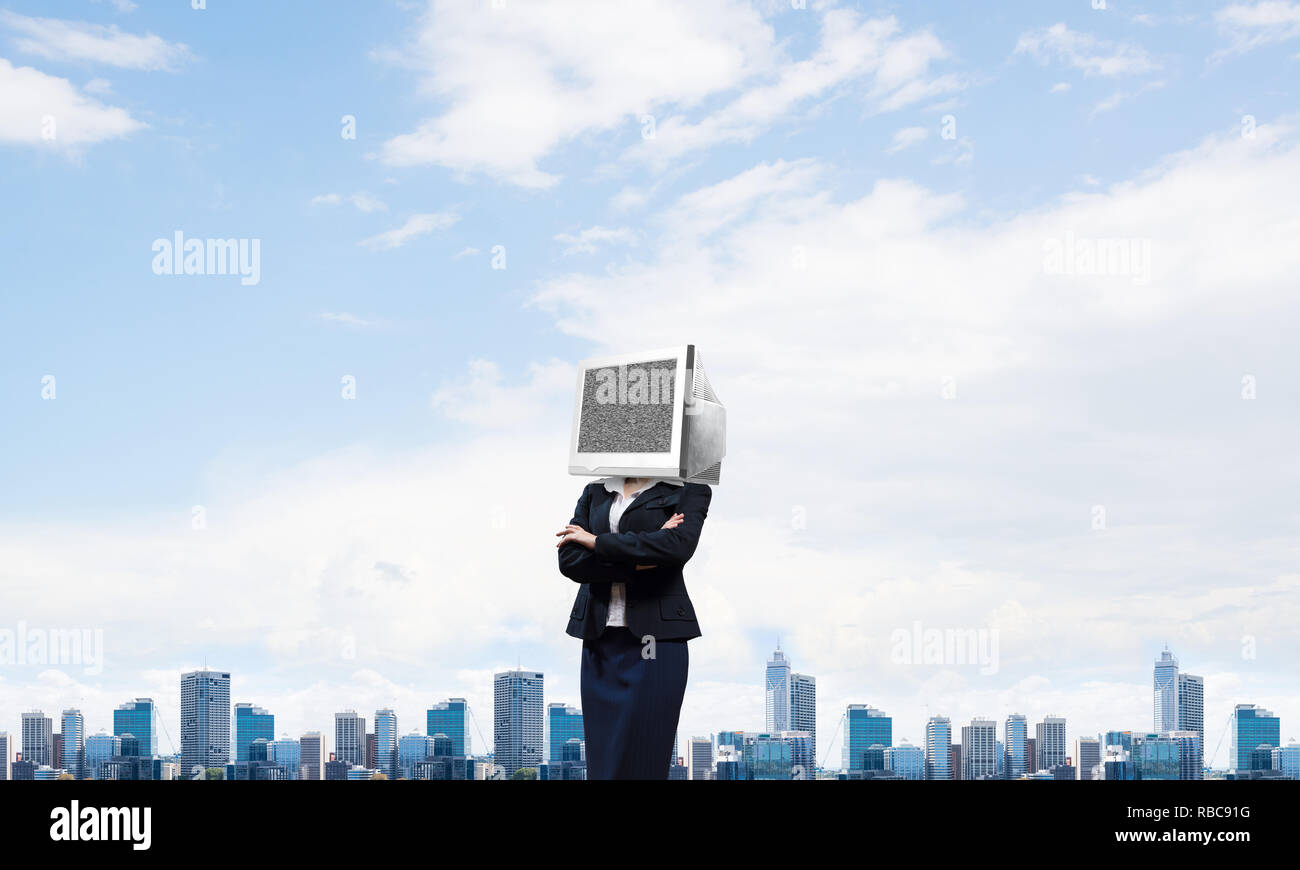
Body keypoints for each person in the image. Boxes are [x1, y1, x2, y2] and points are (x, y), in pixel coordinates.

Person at [556, 475, 712, 779]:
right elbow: (570, 559)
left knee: (645, 753)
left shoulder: (688, 490)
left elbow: (677, 548)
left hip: (657, 641)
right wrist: (640, 559)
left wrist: (596, 542)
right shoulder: (596, 492)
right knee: (603, 758)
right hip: (599, 638)